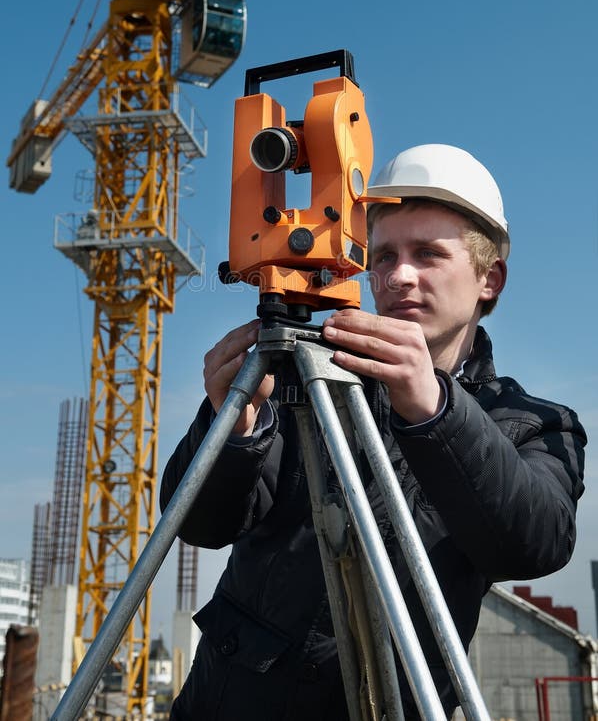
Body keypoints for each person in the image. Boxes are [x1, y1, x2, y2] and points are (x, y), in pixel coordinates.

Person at [160, 143, 586, 720]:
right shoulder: (302, 380)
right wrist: (231, 424)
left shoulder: (532, 422)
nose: (399, 276)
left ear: (490, 279)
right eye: (382, 256)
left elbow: (535, 542)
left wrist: (434, 410)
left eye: (429, 254)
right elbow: (200, 525)